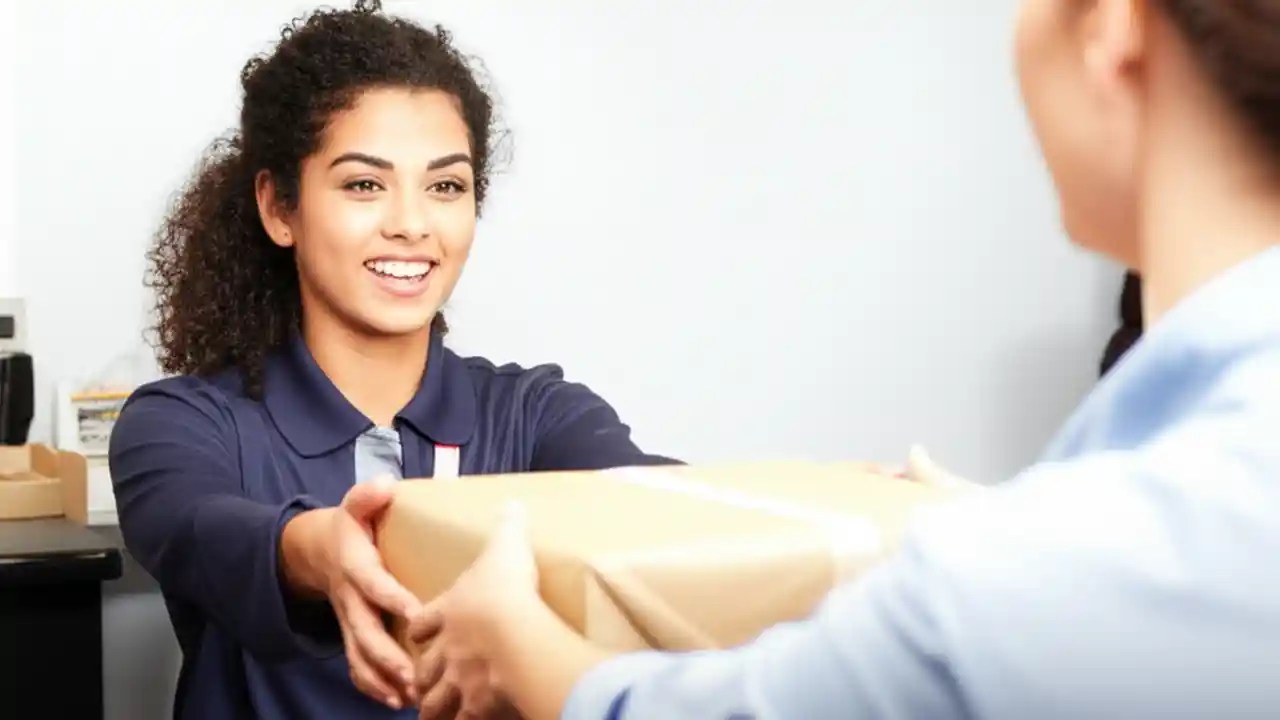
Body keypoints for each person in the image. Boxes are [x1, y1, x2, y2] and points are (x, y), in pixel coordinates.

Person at [412, 1, 1280, 718]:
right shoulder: (1134, 518)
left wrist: (517, 651)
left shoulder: (1019, 587)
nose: (411, 223)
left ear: (1112, 31)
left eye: (444, 185)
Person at [106, 2, 677, 718]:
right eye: (363, 184)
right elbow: (203, 530)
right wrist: (318, 548)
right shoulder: (182, 425)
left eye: (445, 186)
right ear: (280, 208)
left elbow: (661, 515)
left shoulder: (536, 416)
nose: (411, 224)